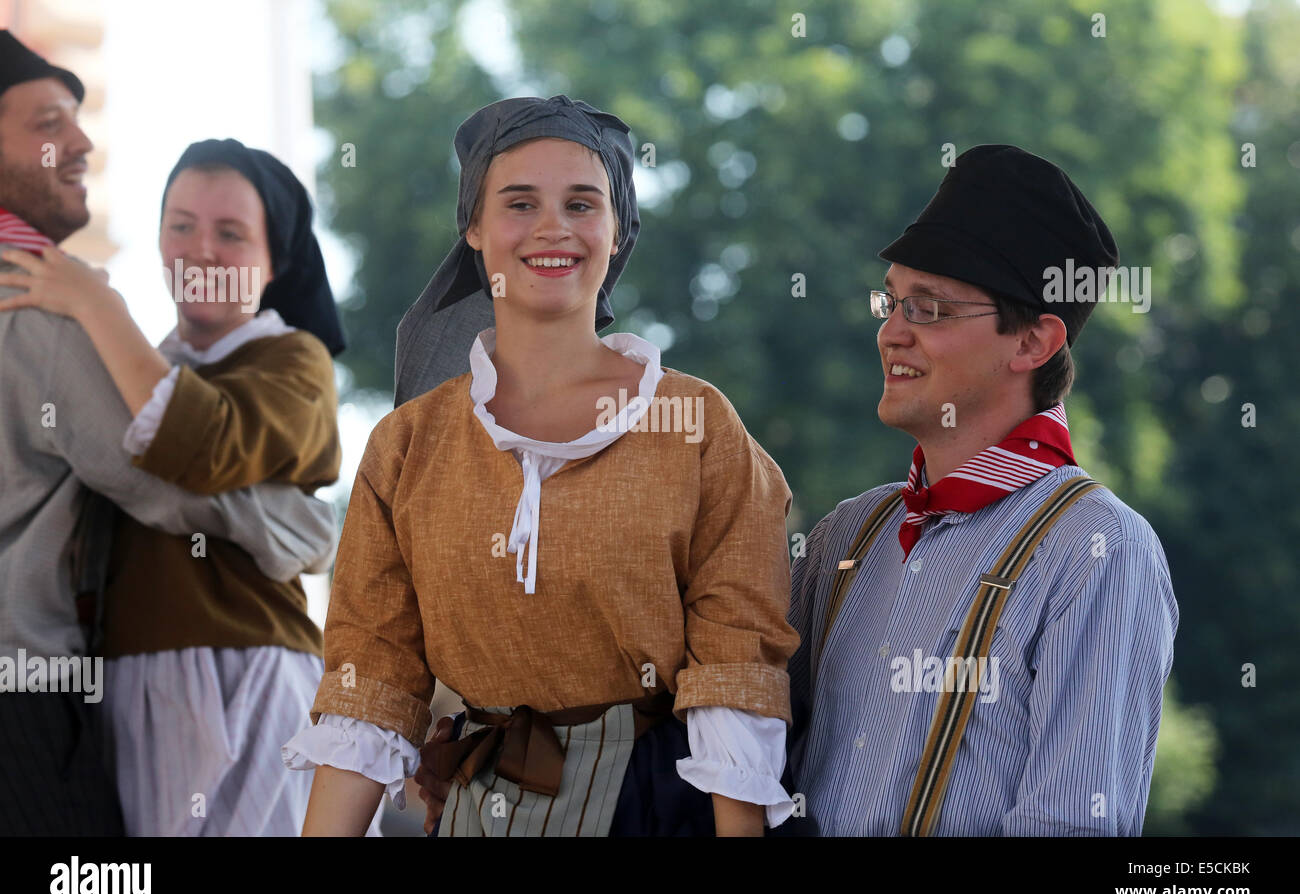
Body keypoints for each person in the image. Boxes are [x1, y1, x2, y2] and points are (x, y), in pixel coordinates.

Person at [283, 95, 800, 837]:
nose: (553, 227)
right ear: (474, 228)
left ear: (617, 231)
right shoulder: (408, 445)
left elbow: (735, 665)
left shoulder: (696, 426)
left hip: (656, 810)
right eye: (519, 202)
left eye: (582, 203)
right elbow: (373, 679)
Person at [780, 144, 1178, 836]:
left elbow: (1071, 826)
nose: (891, 333)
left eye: (929, 309)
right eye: (892, 301)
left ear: (1032, 343)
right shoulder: (845, 535)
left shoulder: (1097, 549)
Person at [0, 31, 336, 836]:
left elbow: (196, 443)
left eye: (232, 234)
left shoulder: (292, 359)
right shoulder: (76, 329)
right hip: (114, 683)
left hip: (239, 668)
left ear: (273, 260)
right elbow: (152, 477)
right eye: (181, 226)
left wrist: (97, 306)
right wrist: (298, 525)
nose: (202, 251)